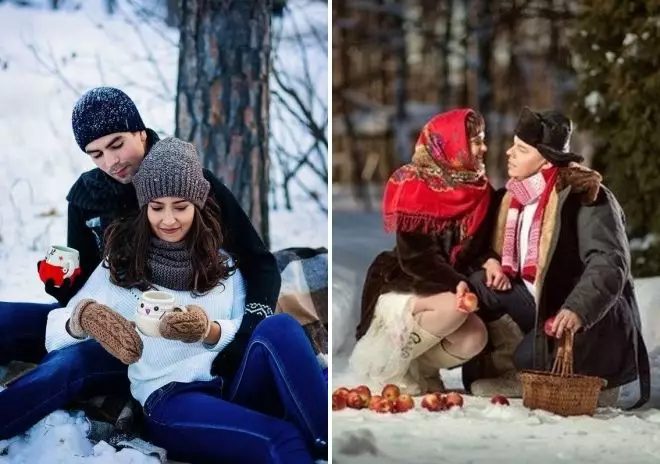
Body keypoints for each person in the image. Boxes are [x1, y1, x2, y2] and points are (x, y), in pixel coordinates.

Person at [2, 138, 327, 463]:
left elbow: (241, 323)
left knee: (281, 326)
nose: (168, 220)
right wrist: (82, 319)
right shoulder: (120, 265)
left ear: (198, 205)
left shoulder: (223, 263)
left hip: (231, 381)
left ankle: (328, 441)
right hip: (172, 396)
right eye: (157, 207)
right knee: (282, 439)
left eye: (181, 206)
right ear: (144, 208)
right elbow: (57, 329)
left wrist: (207, 330)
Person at [0, 87, 280, 390]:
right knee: (7, 319)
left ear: (141, 132)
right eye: (96, 154)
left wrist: (246, 332)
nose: (110, 162)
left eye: (116, 144)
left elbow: (260, 263)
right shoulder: (87, 196)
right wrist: (61, 283)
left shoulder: (186, 181)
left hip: (155, 341)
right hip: (100, 323)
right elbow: (82, 291)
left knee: (64, 367)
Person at [464, 107, 650, 409]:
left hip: (586, 318)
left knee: (529, 355)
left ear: (546, 159)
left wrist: (577, 309)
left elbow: (609, 261)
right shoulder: (513, 197)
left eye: (521, 149)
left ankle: (596, 381)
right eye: (513, 144)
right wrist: (491, 261)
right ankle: (521, 372)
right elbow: (483, 248)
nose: (509, 153)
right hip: (539, 304)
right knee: (480, 283)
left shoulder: (586, 197)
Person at [349, 109, 504, 394]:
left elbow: (476, 249)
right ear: (452, 142)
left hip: (449, 287)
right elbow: (417, 258)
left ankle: (423, 369)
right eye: (476, 141)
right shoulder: (415, 187)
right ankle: (387, 365)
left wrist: (490, 260)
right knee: (453, 307)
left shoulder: (481, 191)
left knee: (474, 336)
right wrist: (455, 282)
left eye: (483, 140)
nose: (484, 148)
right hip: (407, 281)